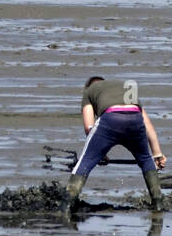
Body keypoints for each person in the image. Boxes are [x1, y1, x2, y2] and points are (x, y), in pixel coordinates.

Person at [66, 75, 166, 210]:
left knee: (85, 161)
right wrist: (157, 153)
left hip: (110, 118)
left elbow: (89, 126)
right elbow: (147, 123)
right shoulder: (125, 89)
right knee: (145, 159)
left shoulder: (89, 91)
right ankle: (158, 203)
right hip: (135, 119)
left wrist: (100, 153)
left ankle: (66, 205)